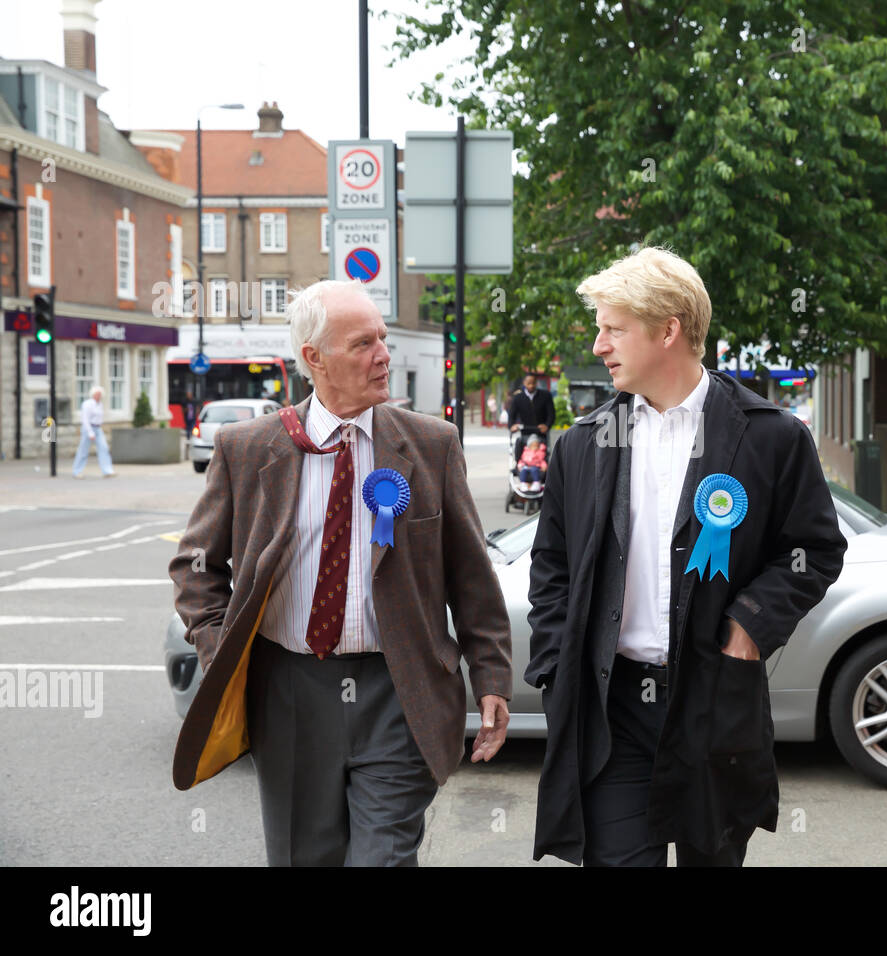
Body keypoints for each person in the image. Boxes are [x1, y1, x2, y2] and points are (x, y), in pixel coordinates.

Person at [169, 278, 512, 866]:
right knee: (306, 857)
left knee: (383, 858)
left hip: (399, 688)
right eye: (362, 344)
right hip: (289, 691)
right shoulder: (248, 448)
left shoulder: (431, 444)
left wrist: (492, 678)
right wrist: (221, 652)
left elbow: (470, 574)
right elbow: (195, 566)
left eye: (382, 339)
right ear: (314, 359)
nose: (384, 355)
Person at [526, 246, 847, 866]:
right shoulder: (583, 444)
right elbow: (552, 569)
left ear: (668, 330)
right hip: (612, 710)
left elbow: (814, 550)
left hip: (711, 701)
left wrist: (750, 627)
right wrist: (555, 666)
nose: (599, 345)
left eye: (613, 328)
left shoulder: (772, 436)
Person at [71, 385, 115, 478]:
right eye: (97, 394)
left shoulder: (100, 404)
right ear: (93, 394)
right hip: (88, 428)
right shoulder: (87, 404)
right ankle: (77, 471)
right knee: (83, 450)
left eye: (100, 394)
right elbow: (85, 419)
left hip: (98, 428)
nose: (98, 396)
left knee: (104, 448)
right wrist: (90, 432)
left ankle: (107, 470)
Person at [507, 372, 555, 451]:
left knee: (544, 452)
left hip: (541, 433)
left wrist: (547, 425)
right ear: (524, 383)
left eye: (533, 383)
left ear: (536, 383)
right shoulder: (518, 398)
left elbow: (551, 414)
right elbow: (512, 415)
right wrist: (511, 426)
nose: (531, 386)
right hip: (525, 432)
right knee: (519, 450)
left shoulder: (546, 396)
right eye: (529, 383)